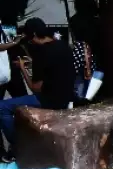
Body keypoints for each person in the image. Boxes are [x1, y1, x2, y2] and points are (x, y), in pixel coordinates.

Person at [0, 19, 76, 154]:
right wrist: (32, 63)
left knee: (2, 107)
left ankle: (19, 147)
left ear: (34, 35)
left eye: (30, 39)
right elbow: (54, 69)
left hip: (48, 100)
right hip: (67, 97)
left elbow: (35, 88)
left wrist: (22, 68)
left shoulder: (42, 53)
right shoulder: (63, 46)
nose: (30, 42)